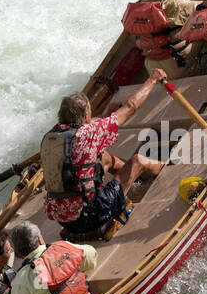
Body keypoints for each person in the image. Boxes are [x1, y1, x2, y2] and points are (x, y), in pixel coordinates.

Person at [41, 69, 167, 239]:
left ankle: (133, 178)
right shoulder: (87, 135)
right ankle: (163, 168)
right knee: (138, 161)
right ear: (86, 116)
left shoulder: (51, 136)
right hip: (91, 215)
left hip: (63, 218)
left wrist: (107, 114)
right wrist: (153, 79)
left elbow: (89, 124)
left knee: (105, 158)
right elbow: (130, 107)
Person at [121, 0, 205, 77]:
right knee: (206, 37)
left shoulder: (138, 5)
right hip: (176, 63)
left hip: (151, 65)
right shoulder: (177, 4)